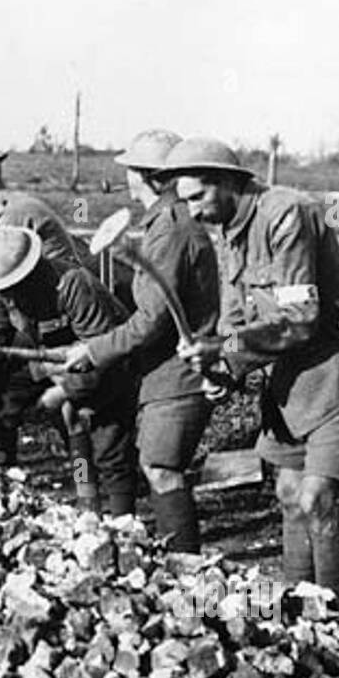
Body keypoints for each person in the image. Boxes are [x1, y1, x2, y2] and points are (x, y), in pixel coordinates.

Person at [159, 137, 339, 613]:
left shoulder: (286, 214)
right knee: (287, 493)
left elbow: (300, 318)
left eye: (197, 197)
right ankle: (299, 617)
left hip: (334, 375)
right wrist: (222, 371)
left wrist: (224, 347)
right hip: (288, 383)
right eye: (185, 200)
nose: (192, 212)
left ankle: (335, 620)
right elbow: (236, 320)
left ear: (228, 182)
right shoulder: (229, 230)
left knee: (316, 499)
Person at [61, 129, 219, 552]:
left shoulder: (169, 230)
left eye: (131, 169)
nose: (126, 178)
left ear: (151, 177)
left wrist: (94, 351)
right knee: (154, 465)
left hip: (178, 373)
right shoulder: (165, 226)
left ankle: (186, 571)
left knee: (161, 467)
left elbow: (152, 321)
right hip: (164, 371)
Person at [0, 226, 137, 516]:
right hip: (50, 359)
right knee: (6, 394)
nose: (6, 298)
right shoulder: (3, 296)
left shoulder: (72, 285)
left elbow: (107, 352)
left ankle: (122, 519)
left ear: (29, 275)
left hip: (109, 365)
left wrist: (63, 392)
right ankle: (6, 474)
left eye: (10, 289)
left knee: (106, 446)